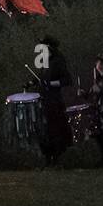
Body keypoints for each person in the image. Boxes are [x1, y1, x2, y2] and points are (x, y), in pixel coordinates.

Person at [36, 35, 73, 166]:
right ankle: (47, 158)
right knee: (44, 130)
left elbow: (67, 80)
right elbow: (41, 78)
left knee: (55, 129)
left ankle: (56, 159)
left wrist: (51, 84)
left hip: (54, 101)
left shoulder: (58, 60)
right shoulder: (43, 60)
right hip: (43, 100)